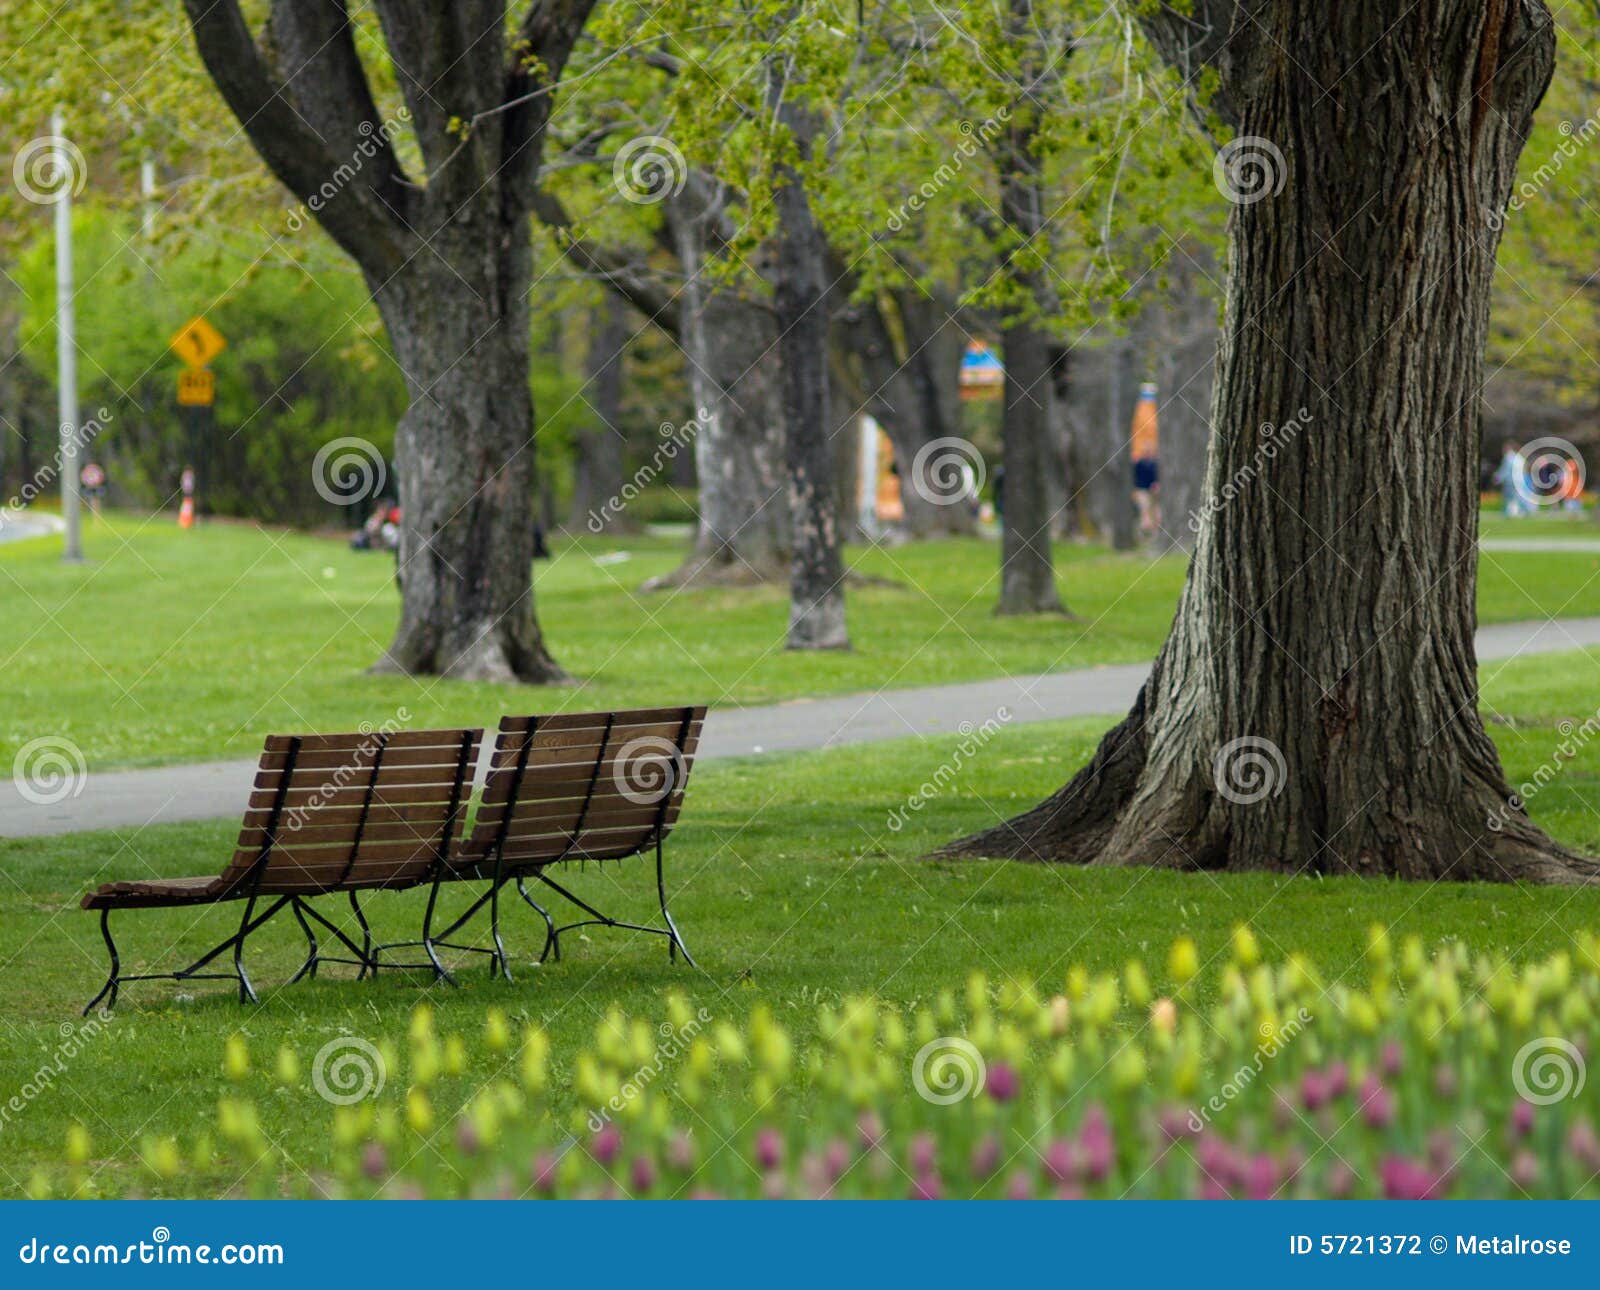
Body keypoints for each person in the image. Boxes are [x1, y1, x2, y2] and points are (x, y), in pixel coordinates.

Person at [1130, 381, 1160, 537]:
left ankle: (1148, 521)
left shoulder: (1141, 409)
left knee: (1146, 491)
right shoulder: (1147, 410)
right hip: (1146, 456)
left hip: (1143, 456)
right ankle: (1148, 521)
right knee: (1148, 491)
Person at [1492, 441, 1526, 517]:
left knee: (1509, 497)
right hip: (1520, 481)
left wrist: (1498, 478)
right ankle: (1516, 511)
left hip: (1511, 481)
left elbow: (1505, 470)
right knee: (1516, 497)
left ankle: (1511, 512)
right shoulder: (1519, 457)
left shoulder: (1508, 458)